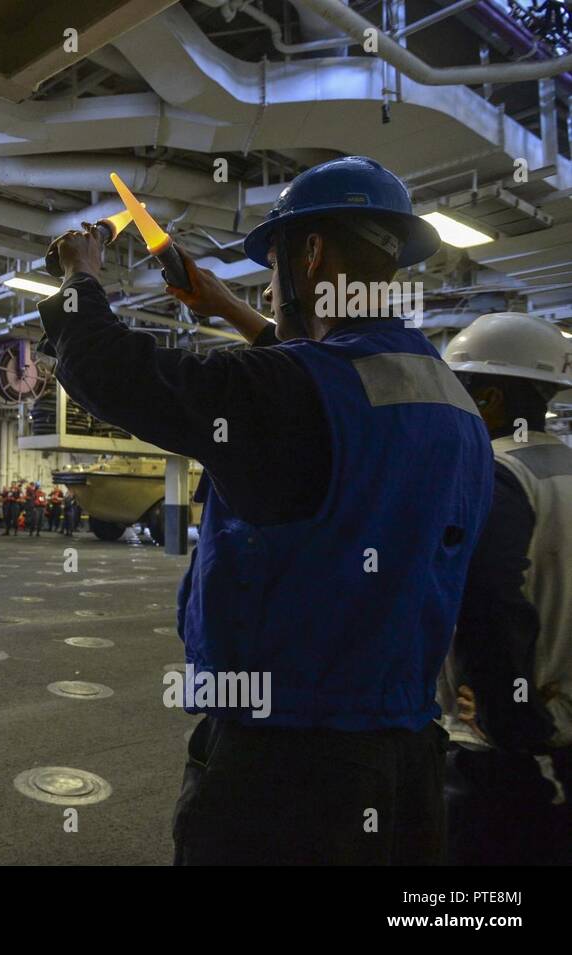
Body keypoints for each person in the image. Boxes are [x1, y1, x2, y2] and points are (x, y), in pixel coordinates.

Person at [40, 155, 492, 865]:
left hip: (285, 776)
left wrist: (80, 277)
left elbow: (112, 371)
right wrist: (224, 304)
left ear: (309, 254)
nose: (275, 285)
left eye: (276, 264)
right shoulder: (453, 404)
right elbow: (333, 387)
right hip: (408, 764)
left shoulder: (290, 392)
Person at [437, 312, 572, 865]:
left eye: (459, 389)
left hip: (499, 752)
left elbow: (489, 605)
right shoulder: (563, 468)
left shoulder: (493, 471)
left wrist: (506, 713)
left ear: (489, 397)